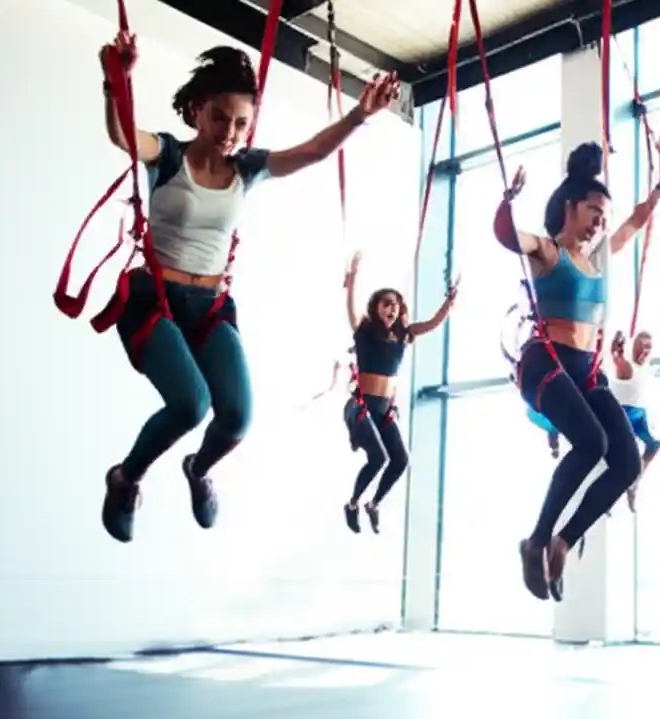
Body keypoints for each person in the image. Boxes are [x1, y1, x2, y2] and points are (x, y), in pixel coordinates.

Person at [97, 33, 401, 543]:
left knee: (237, 417)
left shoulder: (248, 169)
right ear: (198, 111)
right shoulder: (170, 156)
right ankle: (126, 478)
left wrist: (358, 117)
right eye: (220, 117)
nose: (230, 132)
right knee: (191, 404)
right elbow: (125, 137)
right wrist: (116, 82)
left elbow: (311, 152)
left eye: (241, 122)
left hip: (210, 307)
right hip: (155, 302)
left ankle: (198, 470)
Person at [495, 142, 660, 601]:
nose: (600, 220)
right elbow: (511, 237)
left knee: (627, 461)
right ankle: (535, 540)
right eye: (594, 210)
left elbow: (631, 225)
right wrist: (507, 202)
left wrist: (656, 195)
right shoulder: (549, 252)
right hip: (546, 362)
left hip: (586, 371)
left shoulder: (599, 260)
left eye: (604, 214)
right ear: (570, 208)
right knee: (592, 443)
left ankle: (561, 543)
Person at [342, 251, 457, 534]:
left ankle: (374, 504)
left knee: (401, 459)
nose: (392, 309)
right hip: (361, 406)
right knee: (378, 458)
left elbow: (431, 323)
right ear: (376, 307)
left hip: (383, 410)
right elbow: (352, 310)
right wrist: (353, 278)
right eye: (386, 304)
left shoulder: (403, 335)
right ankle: (353, 504)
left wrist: (449, 303)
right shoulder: (366, 330)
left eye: (396, 305)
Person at [608, 320, 660, 511]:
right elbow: (616, 357)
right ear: (633, 348)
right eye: (642, 347)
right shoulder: (626, 365)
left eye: (648, 347)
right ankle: (609, 494)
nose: (645, 351)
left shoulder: (650, 360)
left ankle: (635, 484)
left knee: (654, 445)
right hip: (623, 414)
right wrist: (616, 346)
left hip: (639, 415)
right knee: (621, 456)